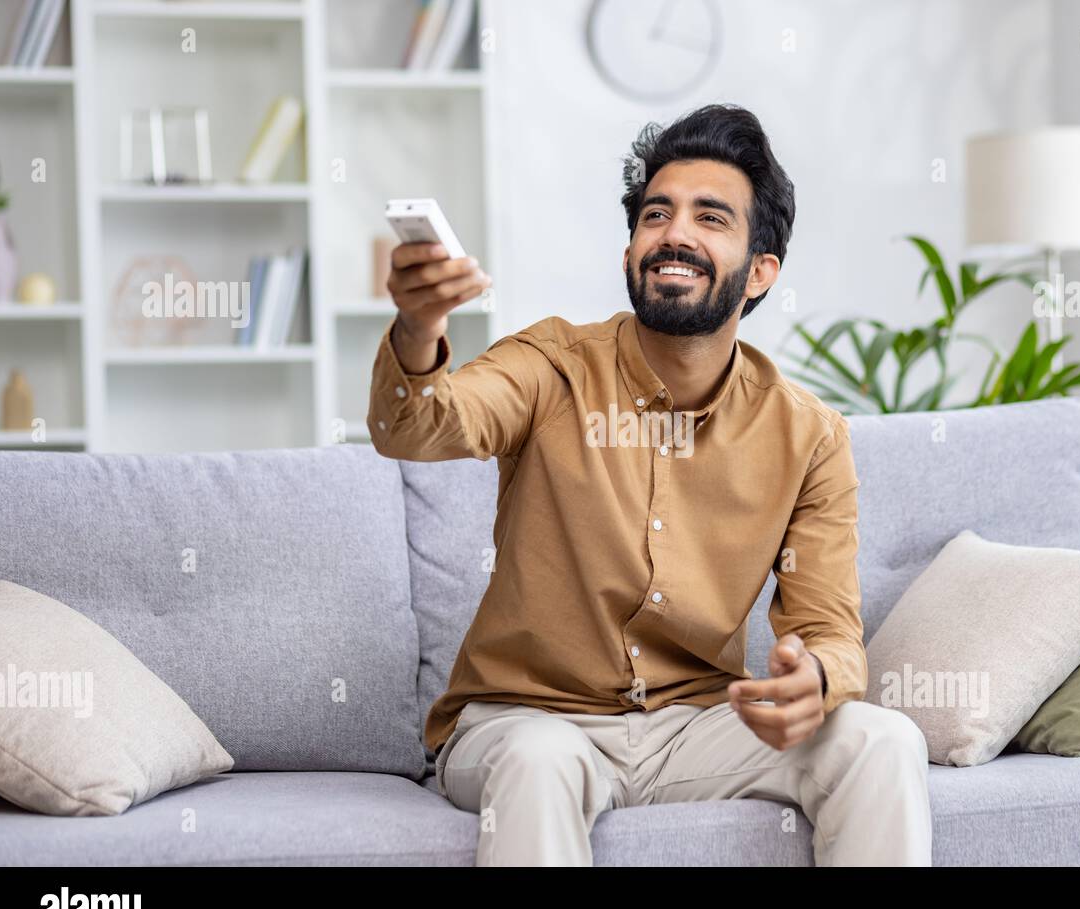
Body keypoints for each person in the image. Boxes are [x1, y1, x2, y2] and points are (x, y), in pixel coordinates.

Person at [368, 103, 931, 866]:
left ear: (760, 270)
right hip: (526, 720)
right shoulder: (552, 364)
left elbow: (829, 626)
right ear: (632, 249)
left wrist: (822, 676)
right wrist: (417, 329)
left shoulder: (809, 436)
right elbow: (421, 426)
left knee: (879, 738)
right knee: (542, 761)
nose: (675, 233)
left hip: (695, 727)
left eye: (711, 217)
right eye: (656, 214)